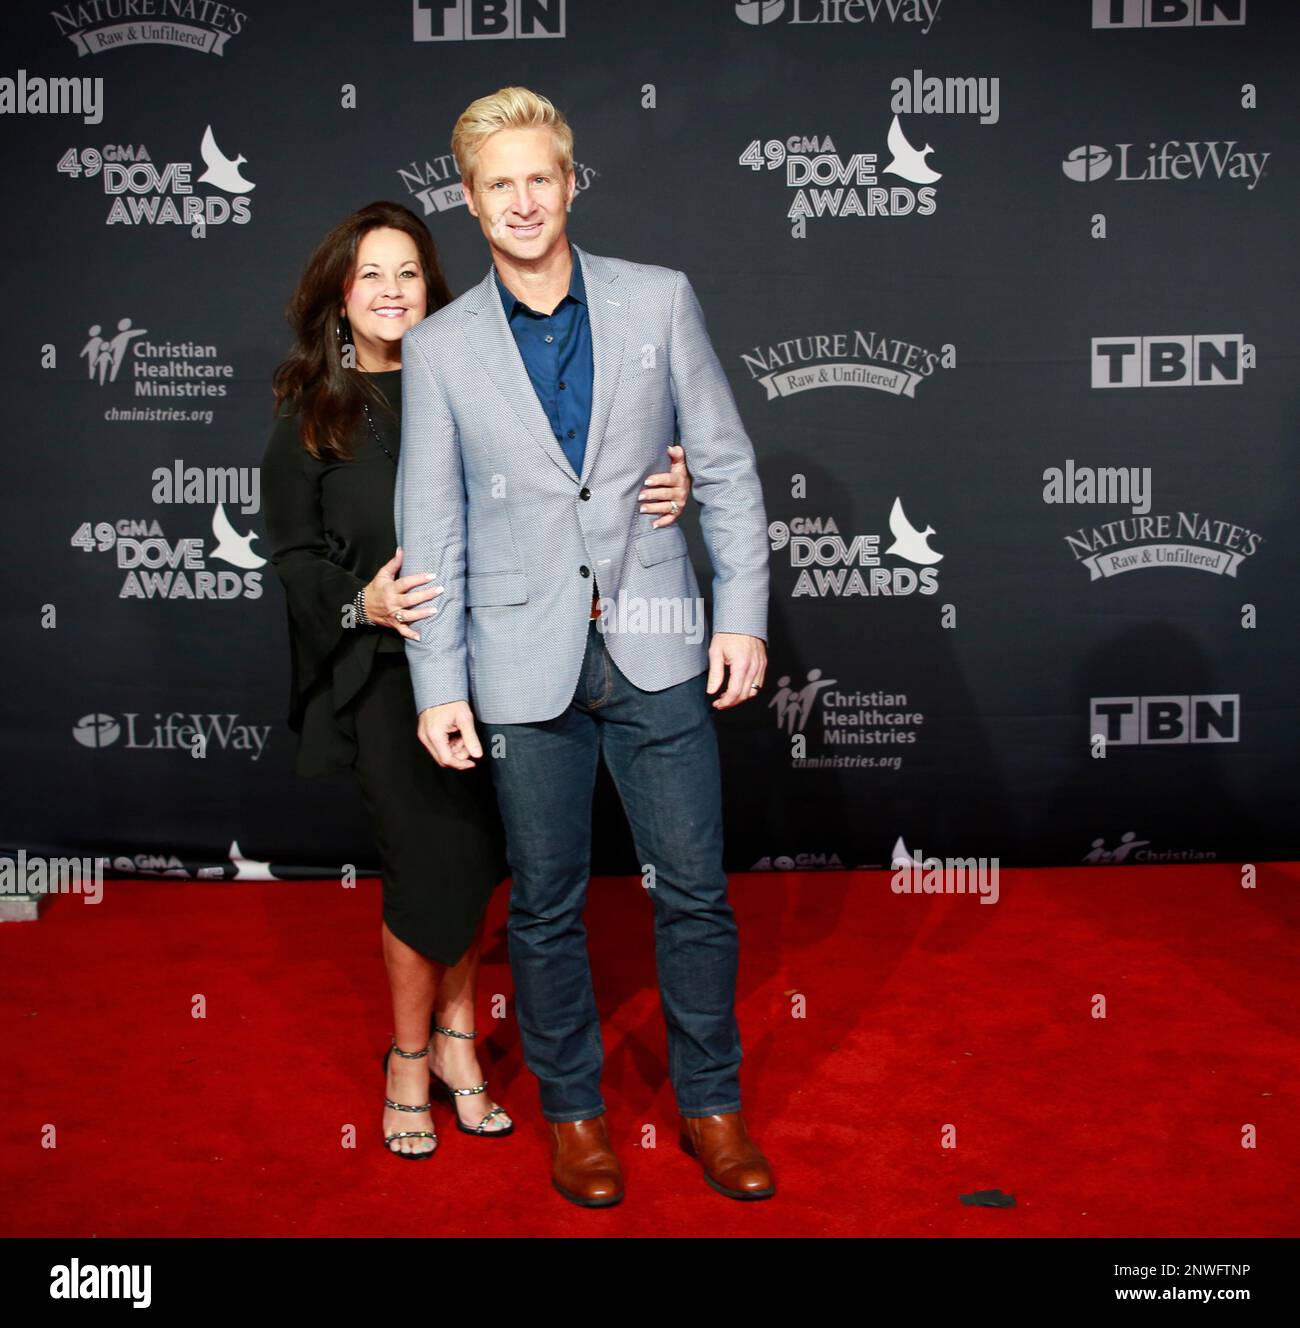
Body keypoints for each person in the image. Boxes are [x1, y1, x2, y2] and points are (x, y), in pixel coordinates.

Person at [396, 88, 775, 1205]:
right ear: (469, 202)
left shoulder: (659, 301)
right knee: (547, 905)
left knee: (695, 893)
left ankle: (713, 1107)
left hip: (658, 640)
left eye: (539, 177)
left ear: (571, 183)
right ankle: (576, 1117)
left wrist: (743, 612)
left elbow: (729, 463)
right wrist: (438, 682)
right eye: (497, 184)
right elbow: (433, 528)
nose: (522, 200)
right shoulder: (440, 347)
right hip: (519, 660)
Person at [261, 200, 697, 1160]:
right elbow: (290, 559)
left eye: (409, 273)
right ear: (341, 297)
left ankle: (462, 1046)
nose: (391, 292)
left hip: (502, 661)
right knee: (430, 868)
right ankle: (407, 1060)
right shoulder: (315, 417)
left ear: (433, 286)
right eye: (371, 275)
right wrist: (361, 607)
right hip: (388, 678)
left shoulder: (474, 371)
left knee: (480, 867)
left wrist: (673, 478)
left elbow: (583, 471)